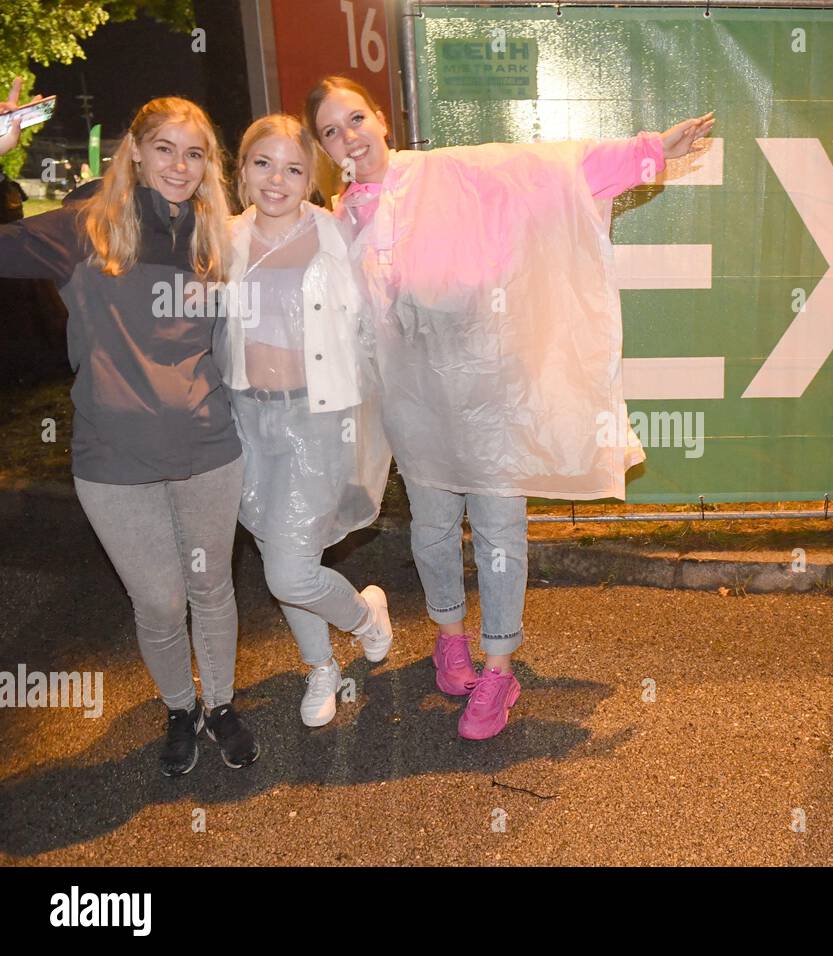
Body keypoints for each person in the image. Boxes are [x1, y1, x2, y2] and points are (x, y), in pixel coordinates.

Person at [306, 75, 714, 739]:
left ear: (380, 119)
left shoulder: (447, 173)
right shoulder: (341, 217)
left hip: (492, 394)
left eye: (355, 118)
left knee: (499, 532)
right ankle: (450, 639)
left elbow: (550, 173)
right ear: (324, 147)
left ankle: (499, 667)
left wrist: (652, 151)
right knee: (433, 529)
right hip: (418, 406)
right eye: (331, 130)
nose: (349, 136)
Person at [0, 80, 259, 774]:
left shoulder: (216, 239)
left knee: (210, 589)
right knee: (158, 598)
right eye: (165, 149)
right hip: (113, 462)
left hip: (208, 449)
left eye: (196, 153)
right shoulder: (82, 229)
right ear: (135, 154)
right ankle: (180, 708)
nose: (180, 165)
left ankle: (224, 705)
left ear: (210, 165)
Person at [220, 114, 392, 727]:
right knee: (277, 555)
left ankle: (364, 615)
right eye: (263, 163)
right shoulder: (222, 237)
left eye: (294, 168)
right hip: (245, 422)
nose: (277, 179)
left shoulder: (337, 233)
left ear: (310, 178)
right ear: (241, 172)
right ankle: (321, 665)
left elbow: (384, 305)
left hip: (319, 421)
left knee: (289, 569)